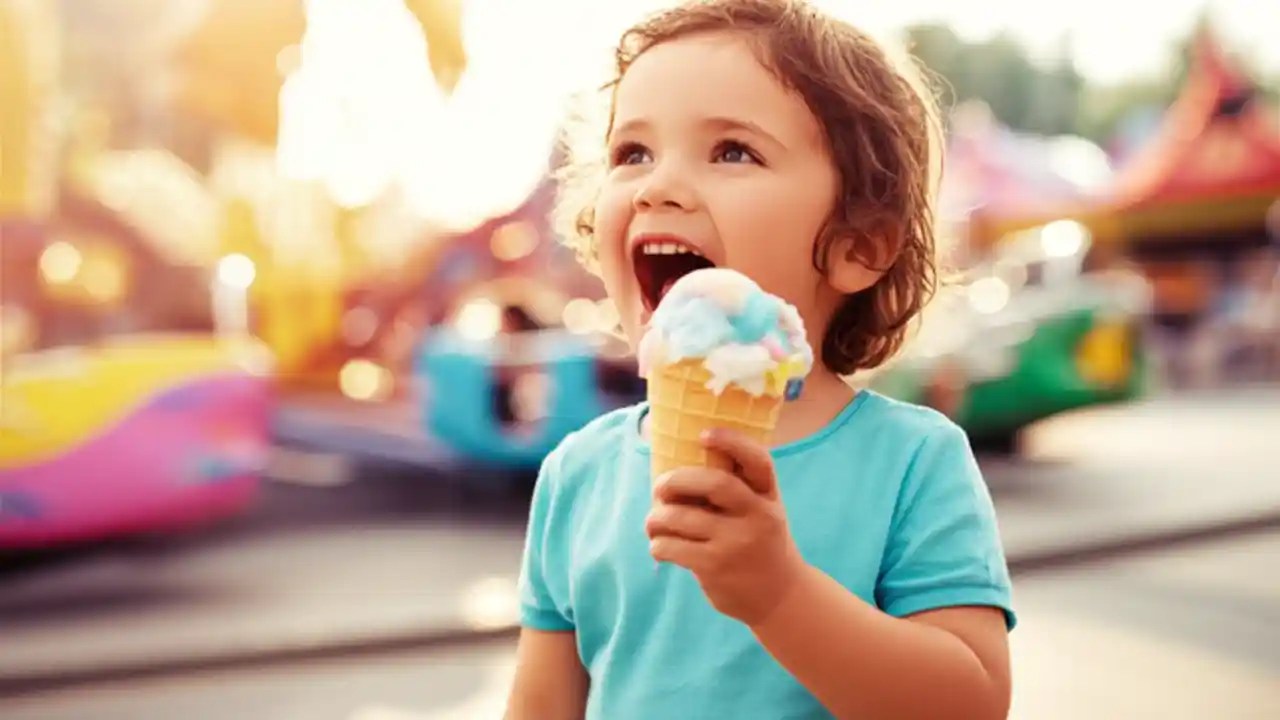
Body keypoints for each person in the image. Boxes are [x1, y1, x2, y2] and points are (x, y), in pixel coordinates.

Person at [505, 1, 1015, 718]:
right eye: (632, 154)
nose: (655, 186)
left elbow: (971, 704)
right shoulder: (576, 477)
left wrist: (779, 595)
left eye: (732, 151)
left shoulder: (912, 463)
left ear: (859, 244)